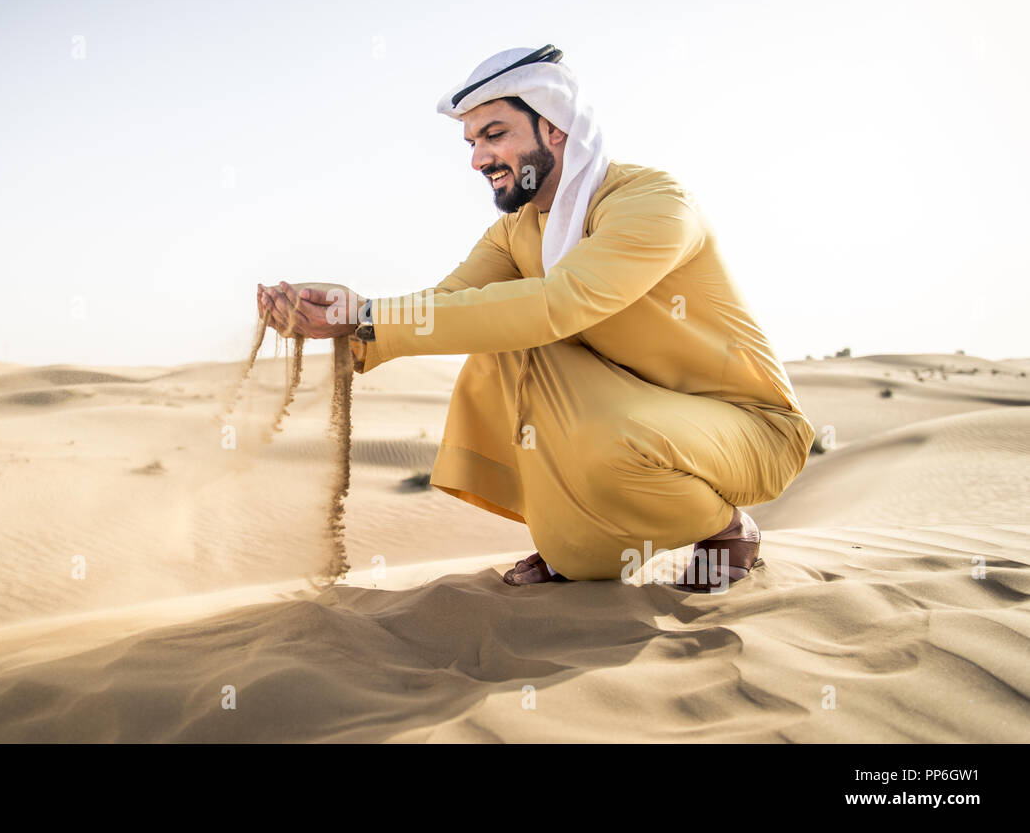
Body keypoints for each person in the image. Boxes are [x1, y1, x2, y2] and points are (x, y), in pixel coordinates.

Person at [256, 45, 816, 592]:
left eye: (495, 135)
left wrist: (373, 316)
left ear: (556, 129)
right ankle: (574, 540)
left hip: (747, 428)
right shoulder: (514, 231)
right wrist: (343, 315)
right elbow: (446, 302)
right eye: (472, 142)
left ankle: (725, 527)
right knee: (501, 341)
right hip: (630, 419)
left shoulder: (652, 203)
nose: (478, 159)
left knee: (530, 336)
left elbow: (558, 303)